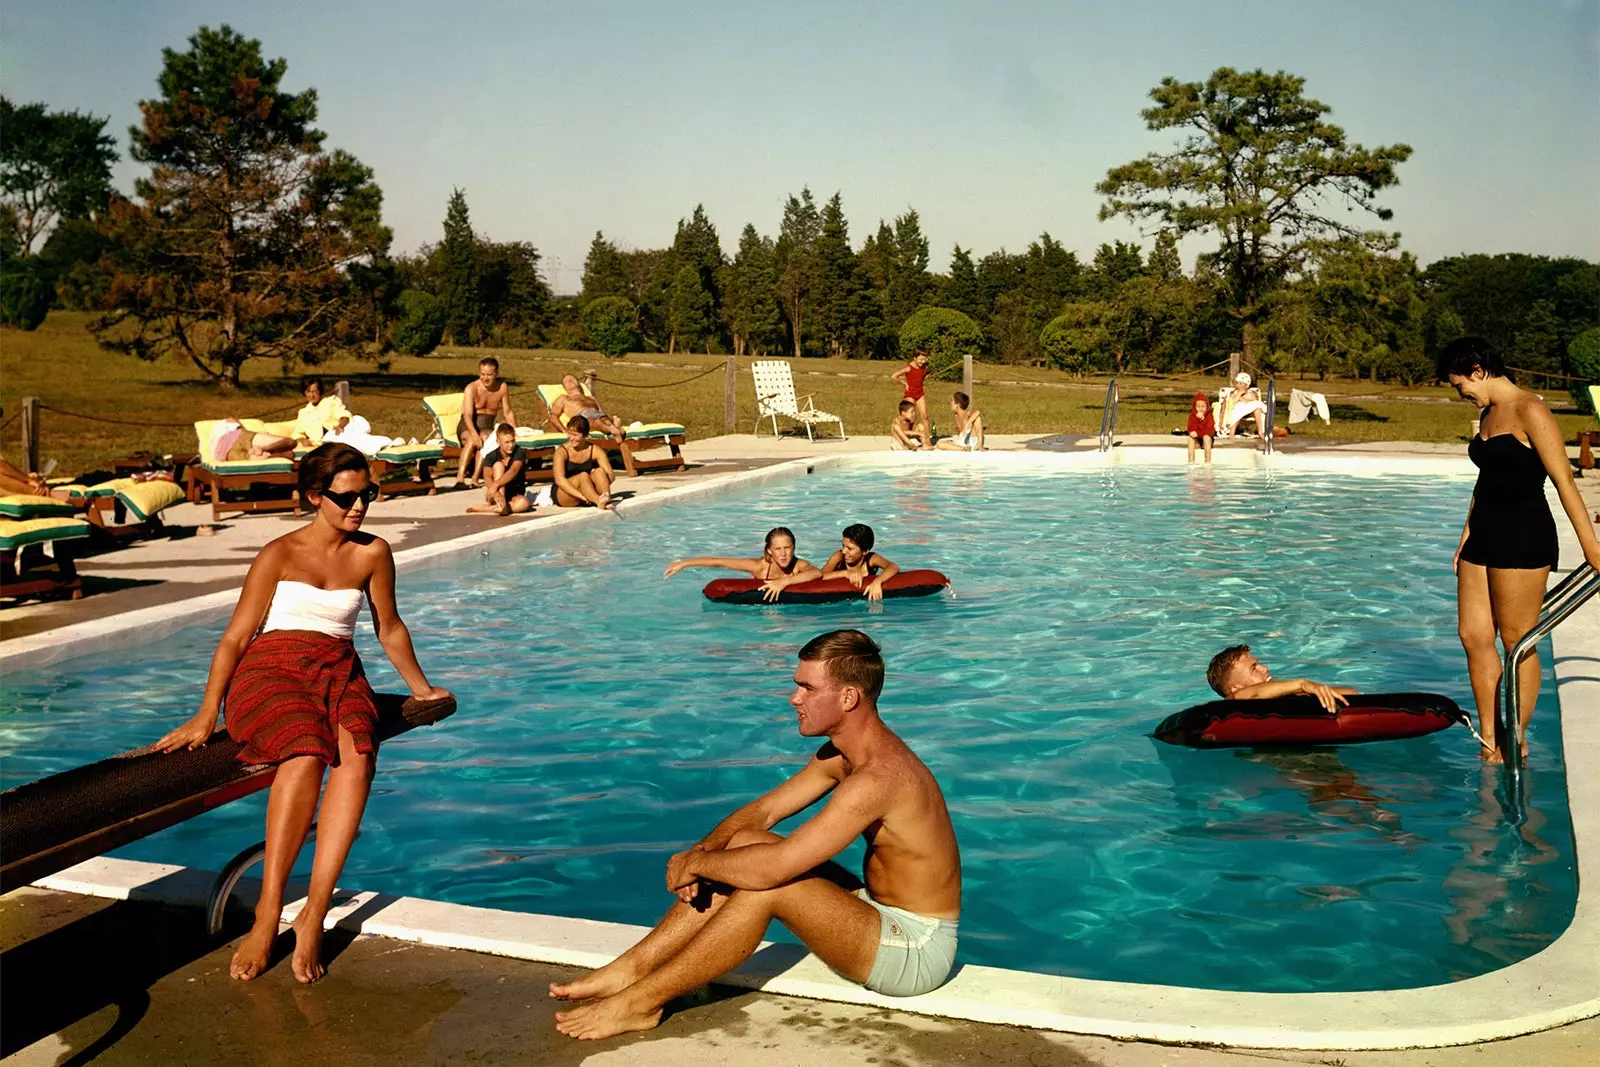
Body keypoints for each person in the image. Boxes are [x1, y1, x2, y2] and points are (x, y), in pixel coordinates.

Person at [550, 630, 961, 1041]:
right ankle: (633, 967)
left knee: (767, 884)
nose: (793, 699)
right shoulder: (843, 757)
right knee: (745, 843)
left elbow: (775, 870)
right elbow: (762, 813)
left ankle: (640, 1003)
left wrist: (694, 865)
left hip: (917, 949)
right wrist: (705, 852)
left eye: (806, 687)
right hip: (877, 910)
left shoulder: (878, 778)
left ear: (849, 698)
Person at [153, 443, 452, 983]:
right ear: (316, 496)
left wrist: (421, 688)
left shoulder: (373, 553)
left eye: (369, 494)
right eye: (347, 497)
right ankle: (268, 912)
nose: (359, 506)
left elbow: (389, 627)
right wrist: (205, 713)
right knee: (304, 750)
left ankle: (314, 912)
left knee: (358, 753)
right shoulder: (279, 553)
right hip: (270, 670)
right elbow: (237, 637)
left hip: (338, 668)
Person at [1441, 336, 1600, 762]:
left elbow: (1564, 481)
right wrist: (1464, 536)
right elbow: (1487, 479)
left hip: (1523, 535)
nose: (1462, 394)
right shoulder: (1488, 413)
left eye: (1461, 385)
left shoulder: (1531, 409)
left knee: (1516, 640)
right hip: (1484, 536)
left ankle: (1518, 737)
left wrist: (1592, 547)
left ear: (1479, 371)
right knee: (1473, 635)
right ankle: (1492, 738)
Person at [664, 526, 823, 601]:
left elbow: (816, 573)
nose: (783, 553)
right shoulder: (759, 566)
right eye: (778, 549)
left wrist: (784, 581)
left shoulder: (798, 565)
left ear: (794, 548)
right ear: (769, 551)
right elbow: (719, 562)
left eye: (787, 548)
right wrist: (684, 563)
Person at [1205, 644, 1356, 713]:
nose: (1264, 668)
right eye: (1254, 668)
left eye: (1259, 664)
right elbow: (1254, 694)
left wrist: (1308, 692)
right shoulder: (1231, 703)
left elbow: (1351, 694)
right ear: (1236, 688)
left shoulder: (1290, 695)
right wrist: (1302, 684)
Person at [458, 358, 515, 488]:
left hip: (486, 426)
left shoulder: (502, 387)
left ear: (496, 374)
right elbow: (467, 415)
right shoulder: (472, 388)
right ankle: (460, 479)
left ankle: (475, 478)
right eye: (482, 374)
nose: (485, 378)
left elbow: (508, 412)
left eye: (489, 375)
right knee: (473, 440)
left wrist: (514, 432)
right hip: (468, 424)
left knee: (487, 439)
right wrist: (473, 434)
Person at [819, 523, 901, 602]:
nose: (844, 551)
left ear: (865, 551)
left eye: (850, 548)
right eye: (843, 546)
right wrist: (845, 573)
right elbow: (819, 576)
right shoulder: (839, 556)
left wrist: (878, 581)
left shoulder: (871, 559)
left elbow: (893, 567)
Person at [551, 415, 616, 510]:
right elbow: (560, 480)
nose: (571, 438)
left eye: (575, 435)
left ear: (585, 435)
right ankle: (599, 501)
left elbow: (611, 475)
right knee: (583, 476)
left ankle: (605, 499)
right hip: (564, 492)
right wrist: (582, 496)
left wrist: (600, 486)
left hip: (587, 491)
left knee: (600, 472)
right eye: (570, 433)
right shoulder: (562, 452)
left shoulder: (594, 450)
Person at [467, 424, 532, 516]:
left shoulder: (519, 452)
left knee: (524, 504)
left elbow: (513, 471)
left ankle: (491, 508)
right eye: (507, 442)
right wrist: (495, 491)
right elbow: (487, 476)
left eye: (513, 441)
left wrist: (495, 485)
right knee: (498, 465)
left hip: (515, 495)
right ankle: (500, 505)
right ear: (498, 442)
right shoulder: (491, 456)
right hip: (496, 493)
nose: (511, 445)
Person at [547, 372, 626, 444]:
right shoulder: (564, 398)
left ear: (578, 383)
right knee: (596, 422)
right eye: (567, 381)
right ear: (564, 388)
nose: (570, 380)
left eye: (572, 379)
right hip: (582, 416)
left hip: (599, 414)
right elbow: (553, 416)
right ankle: (614, 429)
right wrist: (564, 430)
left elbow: (601, 411)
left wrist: (609, 418)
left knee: (605, 420)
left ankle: (614, 426)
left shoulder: (591, 398)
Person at [890, 350, 932, 448]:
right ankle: (907, 436)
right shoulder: (909, 368)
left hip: (920, 393)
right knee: (909, 417)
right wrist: (905, 383)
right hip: (910, 394)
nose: (922, 361)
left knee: (924, 416)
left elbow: (926, 374)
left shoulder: (924, 367)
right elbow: (894, 376)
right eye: (920, 359)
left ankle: (927, 440)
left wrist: (925, 377)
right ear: (915, 358)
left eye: (924, 359)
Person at [210, 417, 296, 462]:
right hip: (237, 437)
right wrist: (244, 429)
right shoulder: (228, 424)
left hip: (224, 456)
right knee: (291, 442)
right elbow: (231, 419)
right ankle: (264, 450)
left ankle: (268, 454)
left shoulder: (215, 438)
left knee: (289, 453)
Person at [1222, 373, 1267, 439]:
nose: (1238, 385)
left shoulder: (1250, 393)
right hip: (1237, 413)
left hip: (1250, 413)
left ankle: (1260, 431)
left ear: (1247, 385)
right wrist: (1239, 394)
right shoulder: (1234, 393)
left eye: (1241, 383)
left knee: (1257, 408)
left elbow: (1255, 403)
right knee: (1238, 407)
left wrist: (1245, 401)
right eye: (1237, 383)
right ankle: (1232, 432)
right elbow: (1231, 404)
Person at [1185, 391, 1215, 464]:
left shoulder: (1209, 416)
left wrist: (1199, 430)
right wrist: (1197, 420)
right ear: (1195, 407)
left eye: (1203, 406)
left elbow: (1209, 431)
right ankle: (1191, 460)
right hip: (1197, 440)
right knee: (1190, 438)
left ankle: (1207, 461)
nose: (1200, 409)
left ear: (1207, 407)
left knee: (1206, 437)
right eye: (1198, 406)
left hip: (1206, 440)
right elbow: (1190, 428)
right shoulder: (1192, 416)